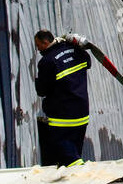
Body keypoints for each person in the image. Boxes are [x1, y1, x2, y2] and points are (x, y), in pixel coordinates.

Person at [35, 29, 90, 167]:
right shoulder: (75, 50)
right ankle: (74, 181)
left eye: (38, 45)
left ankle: (82, 174)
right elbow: (88, 62)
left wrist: (38, 81)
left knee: (64, 150)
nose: (37, 49)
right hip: (82, 114)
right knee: (74, 152)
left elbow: (42, 91)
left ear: (45, 42)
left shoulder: (47, 61)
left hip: (63, 117)